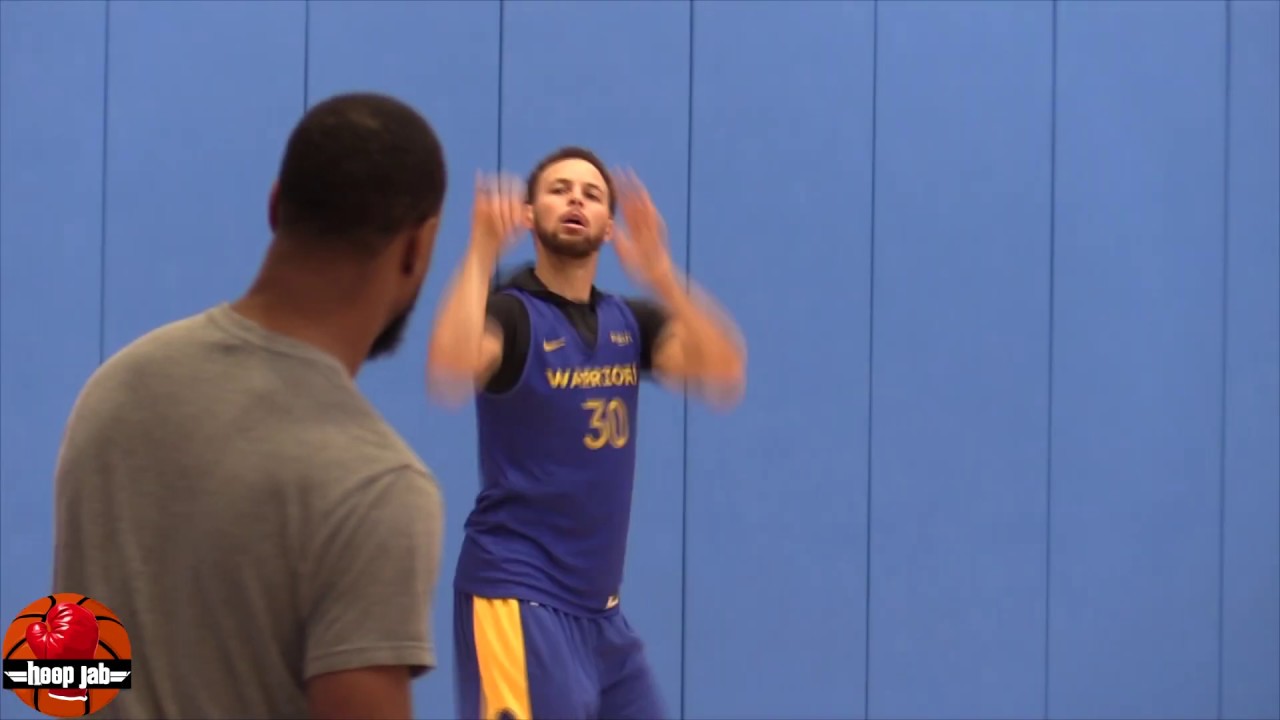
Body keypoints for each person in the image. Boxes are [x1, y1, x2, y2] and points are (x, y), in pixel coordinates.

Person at [51, 92, 449, 720]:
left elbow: (60, 681)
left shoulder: (113, 392)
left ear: (274, 206)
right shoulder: (376, 485)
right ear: (417, 248)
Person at [427, 146, 747, 720]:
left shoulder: (629, 323)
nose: (576, 198)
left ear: (606, 228)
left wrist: (660, 274)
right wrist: (478, 252)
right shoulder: (513, 316)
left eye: (592, 194)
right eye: (558, 189)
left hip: (601, 617)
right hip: (518, 596)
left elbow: (724, 370)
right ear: (528, 215)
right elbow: (451, 369)